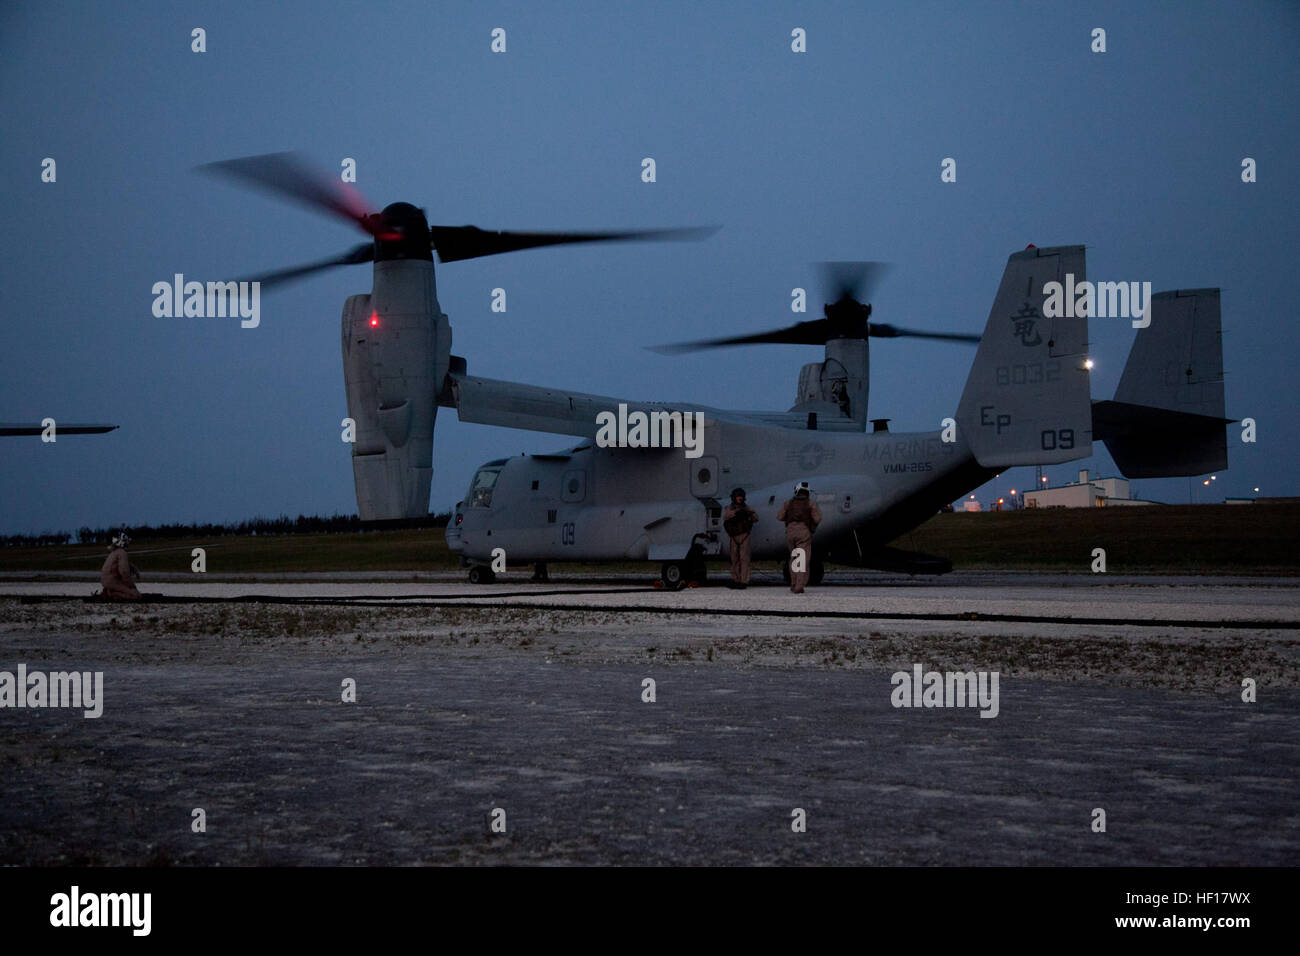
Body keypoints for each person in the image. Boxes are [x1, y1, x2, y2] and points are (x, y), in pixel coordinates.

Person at [777, 481, 822, 593]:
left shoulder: (788, 503)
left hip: (790, 531)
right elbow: (817, 519)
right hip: (803, 531)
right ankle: (799, 585)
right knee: (802, 559)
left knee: (794, 557)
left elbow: (780, 517)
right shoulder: (811, 503)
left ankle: (793, 583)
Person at [722, 487, 758, 588]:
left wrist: (748, 513)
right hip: (733, 536)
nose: (740, 498)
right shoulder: (730, 508)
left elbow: (756, 518)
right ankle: (736, 579)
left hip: (744, 536)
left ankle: (744, 581)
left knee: (744, 559)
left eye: (741, 496)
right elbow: (725, 516)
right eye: (738, 496)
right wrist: (736, 513)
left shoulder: (747, 508)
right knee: (734, 559)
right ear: (734, 497)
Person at [99, 530, 142, 601]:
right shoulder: (122, 553)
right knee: (136, 596)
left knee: (133, 592)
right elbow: (124, 571)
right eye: (125, 539)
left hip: (107, 581)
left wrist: (135, 570)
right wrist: (131, 585)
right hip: (112, 581)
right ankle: (111, 594)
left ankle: (111, 591)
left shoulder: (115, 552)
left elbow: (125, 565)